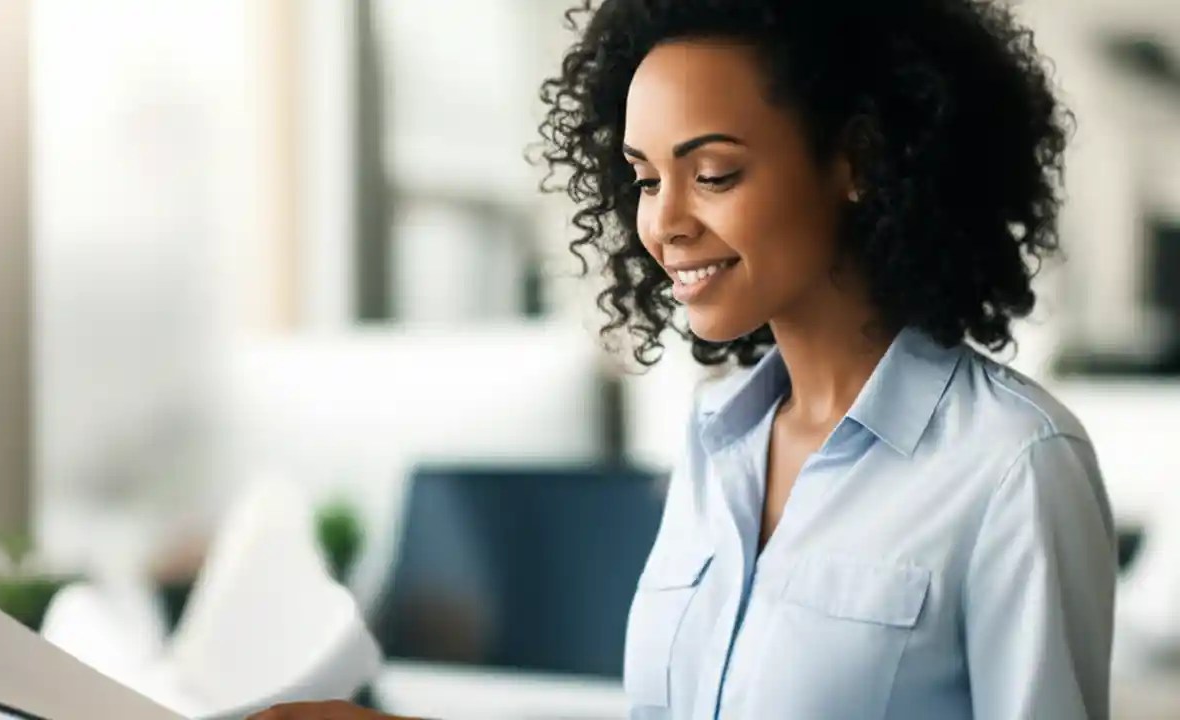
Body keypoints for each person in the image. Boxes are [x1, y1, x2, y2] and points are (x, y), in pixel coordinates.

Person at [248, 0, 1117, 718]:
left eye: (713, 174)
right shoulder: (718, 441)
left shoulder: (1013, 467)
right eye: (646, 177)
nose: (663, 223)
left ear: (856, 160)